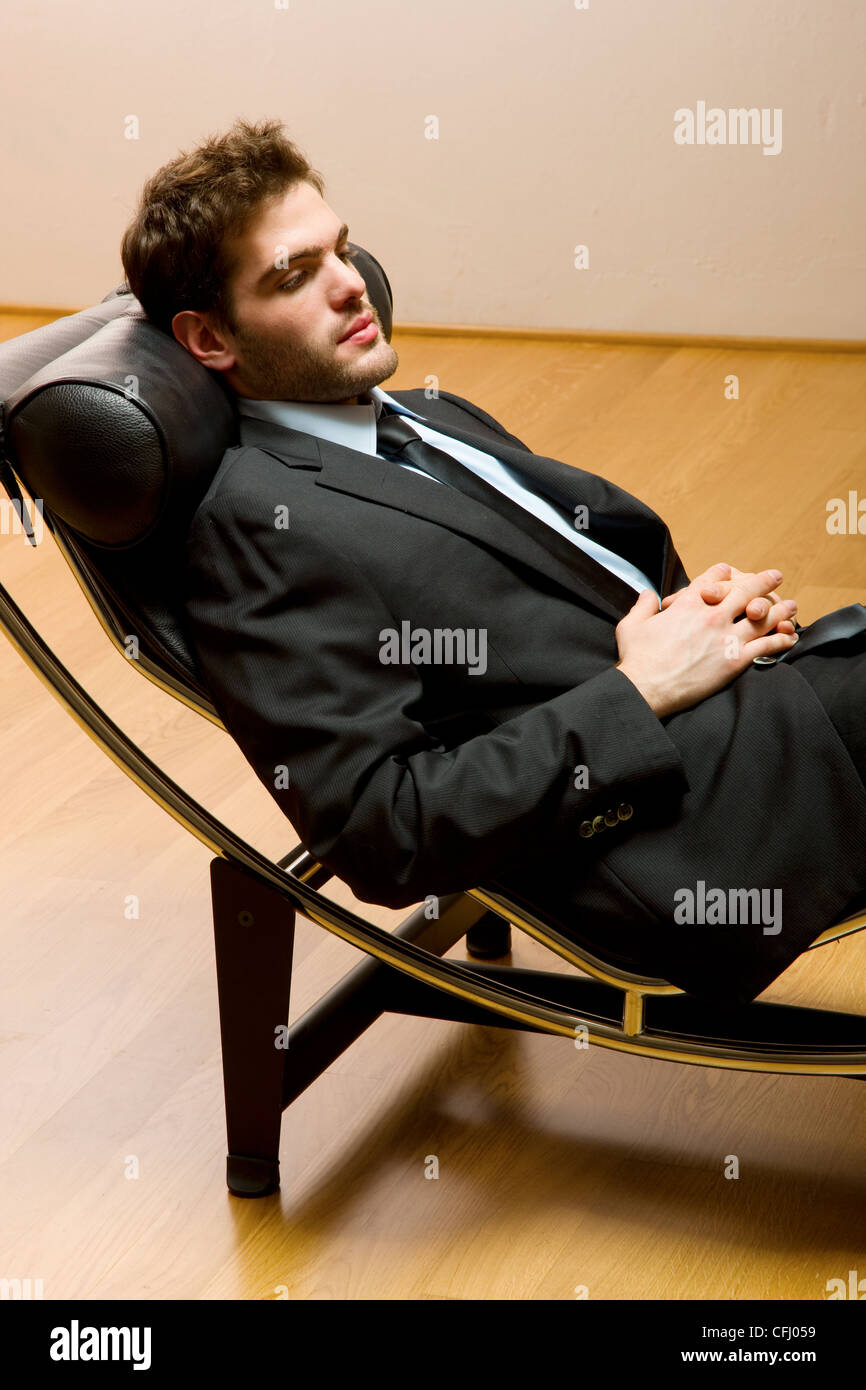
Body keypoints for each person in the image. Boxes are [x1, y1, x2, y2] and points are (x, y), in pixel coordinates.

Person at [121, 117, 866, 1005]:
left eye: (343, 250)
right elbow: (382, 831)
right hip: (674, 829)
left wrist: (702, 617)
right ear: (211, 339)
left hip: (744, 713)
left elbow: (573, 576)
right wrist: (644, 690)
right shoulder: (259, 528)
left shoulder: (421, 415)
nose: (353, 287)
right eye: (295, 275)